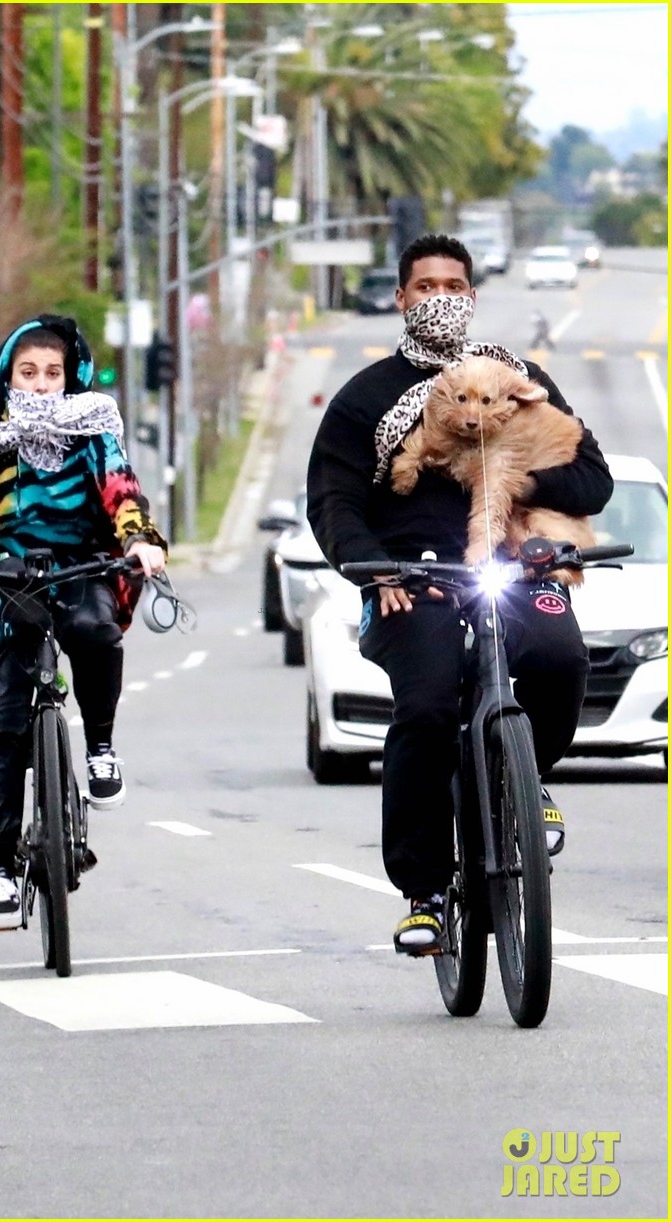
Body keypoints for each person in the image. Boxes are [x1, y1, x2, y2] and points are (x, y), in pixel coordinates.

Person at [306, 235, 613, 954]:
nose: (439, 297)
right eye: (424, 286)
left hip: (515, 569)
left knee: (560, 658)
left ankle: (527, 777)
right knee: (423, 706)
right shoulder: (364, 398)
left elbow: (591, 479)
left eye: (453, 285)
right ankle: (424, 893)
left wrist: (511, 474)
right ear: (401, 298)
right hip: (416, 584)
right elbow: (334, 502)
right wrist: (373, 570)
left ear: (472, 298)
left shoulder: (517, 377)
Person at [0, 314, 167, 932]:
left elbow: (121, 489)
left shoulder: (96, 426)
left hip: (79, 567)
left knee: (96, 631)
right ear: (7, 375)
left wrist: (138, 539)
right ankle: (0, 870)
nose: (42, 384)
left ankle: (100, 748)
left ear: (70, 377)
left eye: (53, 373)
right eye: (29, 372)